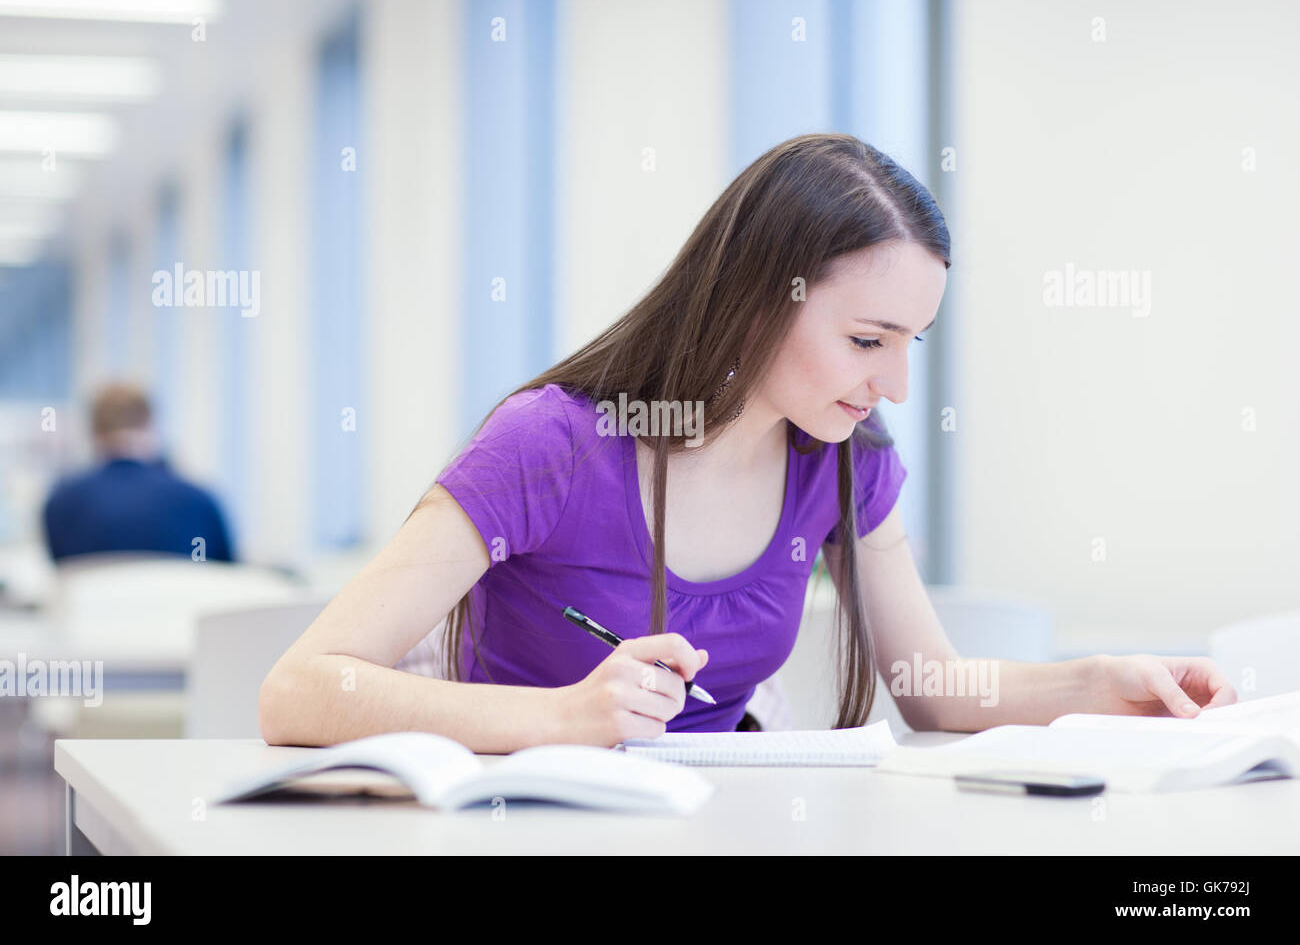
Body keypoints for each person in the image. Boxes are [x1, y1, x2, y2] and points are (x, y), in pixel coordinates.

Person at [260, 133, 1236, 752]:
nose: (893, 385)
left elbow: (933, 691)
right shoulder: (549, 445)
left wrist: (1091, 682)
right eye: (865, 341)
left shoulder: (846, 462)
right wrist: (558, 718)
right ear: (758, 300)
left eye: (910, 345)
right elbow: (301, 689)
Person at [42, 382, 234, 563]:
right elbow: (224, 577)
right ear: (148, 423)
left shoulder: (60, 504)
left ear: (93, 429)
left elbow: (62, 570)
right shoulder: (199, 503)